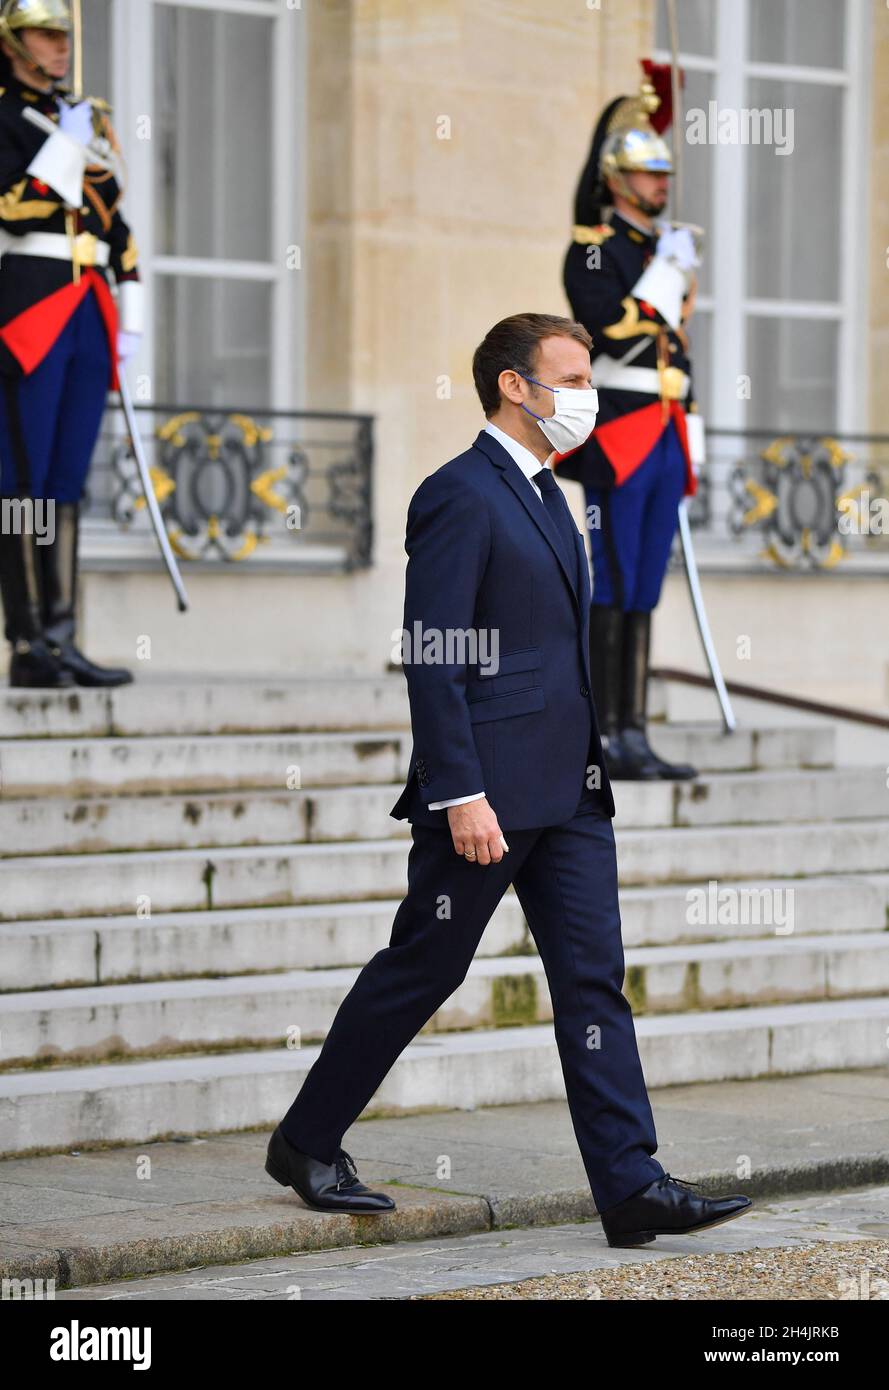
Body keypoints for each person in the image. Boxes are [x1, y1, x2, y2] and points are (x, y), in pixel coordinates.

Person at [265, 313, 752, 1247]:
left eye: (589, 379)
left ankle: (630, 1184)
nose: (588, 397)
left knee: (592, 982)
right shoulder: (458, 493)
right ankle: (306, 1138)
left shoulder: (550, 492)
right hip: (484, 793)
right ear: (513, 389)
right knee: (424, 966)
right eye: (569, 379)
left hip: (568, 789)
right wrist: (459, 792)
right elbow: (433, 653)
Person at [559, 74, 705, 780]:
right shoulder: (593, 248)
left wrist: (694, 428)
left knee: (645, 583)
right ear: (616, 179)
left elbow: (676, 348)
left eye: (663, 173)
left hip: (665, 429)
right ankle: (599, 737)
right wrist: (661, 281)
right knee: (611, 583)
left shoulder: (661, 251)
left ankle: (632, 730)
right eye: (649, 174)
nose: (660, 185)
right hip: (619, 431)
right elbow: (607, 333)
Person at [0, 0, 140, 687]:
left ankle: (62, 636)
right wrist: (64, 144)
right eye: (44, 35)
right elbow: (13, 204)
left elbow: (117, 221)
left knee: (65, 479)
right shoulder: (6, 115)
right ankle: (28, 645)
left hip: (89, 304)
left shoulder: (84, 116)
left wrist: (132, 304)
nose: (59, 48)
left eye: (63, 36)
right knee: (20, 479)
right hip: (28, 304)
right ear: (10, 41)